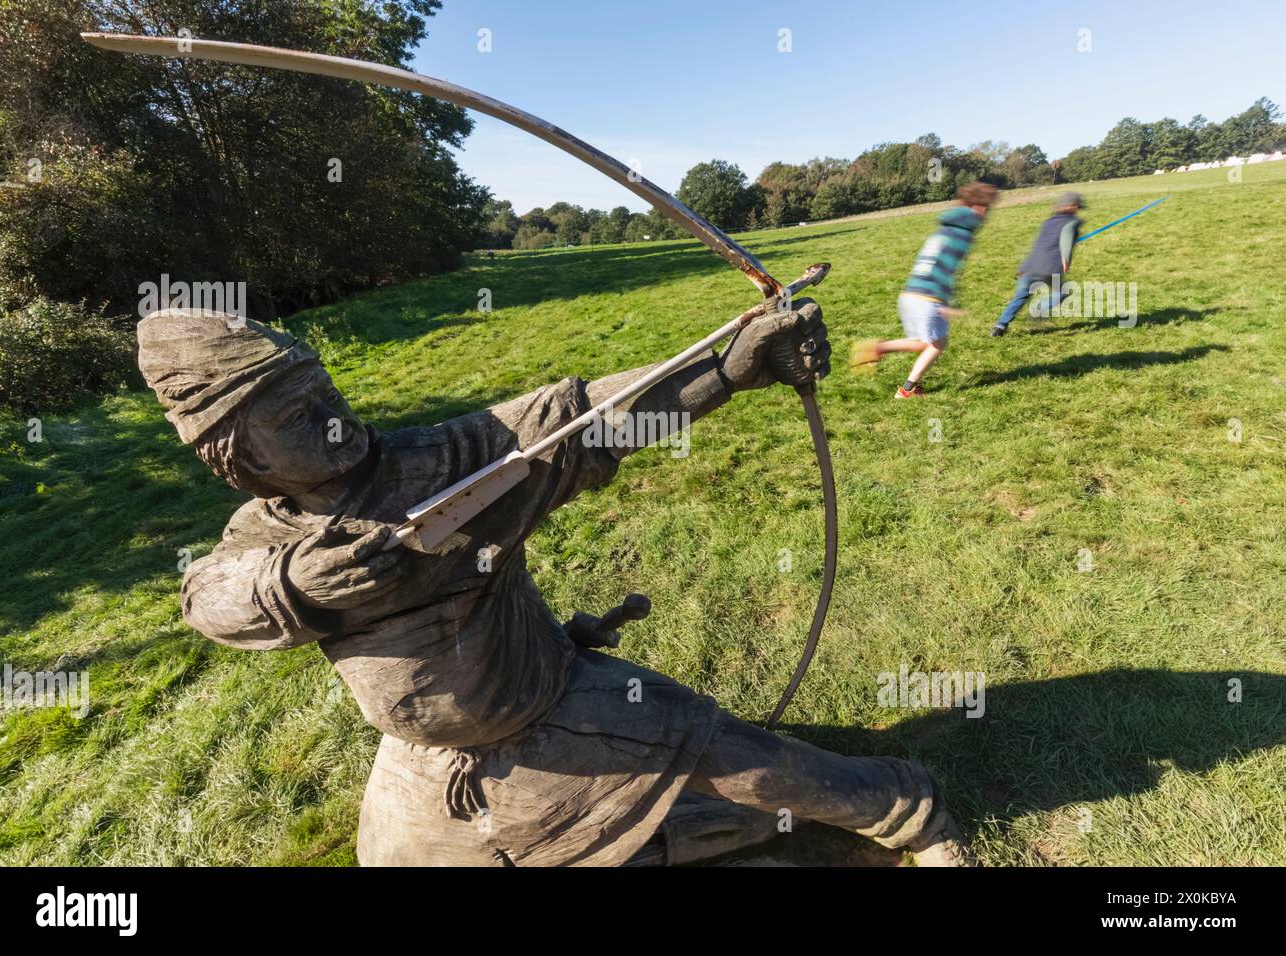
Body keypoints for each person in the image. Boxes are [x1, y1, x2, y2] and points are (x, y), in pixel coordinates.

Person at [138, 305, 976, 867]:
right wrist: (295, 586)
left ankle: (908, 806)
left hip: (557, 702)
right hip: (433, 763)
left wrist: (727, 369)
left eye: (324, 391)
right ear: (238, 459)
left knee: (750, 768)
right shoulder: (262, 539)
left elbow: (584, 423)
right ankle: (670, 828)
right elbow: (210, 599)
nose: (332, 417)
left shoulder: (447, 461)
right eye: (293, 417)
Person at [852, 182, 998, 397]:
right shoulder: (963, 234)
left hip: (910, 293)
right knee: (934, 345)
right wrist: (947, 303)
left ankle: (879, 351)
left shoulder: (945, 228)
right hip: (928, 297)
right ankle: (906, 388)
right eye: (989, 208)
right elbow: (945, 269)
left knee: (926, 342)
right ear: (980, 208)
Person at [989, 192, 1086, 336]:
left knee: (1020, 297)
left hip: (1030, 266)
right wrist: (1066, 260)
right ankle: (1039, 309)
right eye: (1077, 207)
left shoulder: (1048, 222)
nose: (1077, 209)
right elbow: (1065, 238)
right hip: (1050, 267)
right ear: (1072, 207)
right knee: (1063, 292)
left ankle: (1000, 326)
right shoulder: (1071, 222)